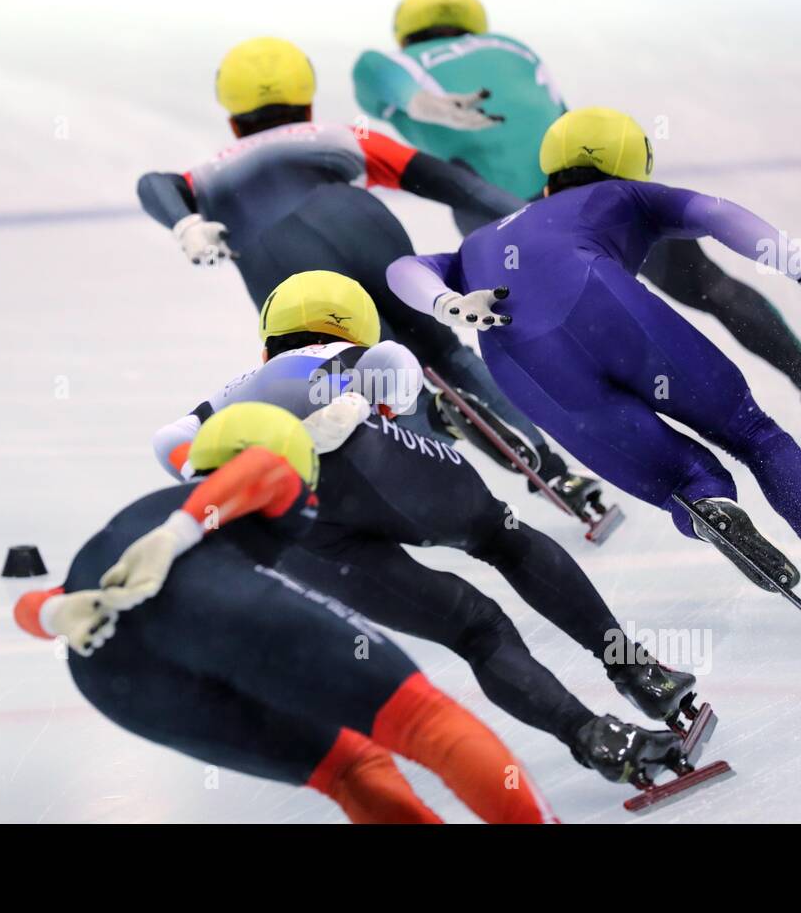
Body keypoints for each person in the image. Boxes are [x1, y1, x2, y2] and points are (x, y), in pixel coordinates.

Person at [385, 107, 801, 628]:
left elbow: (404, 268)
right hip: (608, 308)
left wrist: (445, 304)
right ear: (631, 164)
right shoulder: (622, 193)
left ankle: (708, 504)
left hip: (521, 364)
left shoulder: (481, 239)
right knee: (753, 434)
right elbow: (719, 216)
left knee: (686, 484)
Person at [151, 270, 712, 769]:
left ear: (271, 337)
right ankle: (639, 672)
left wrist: (223, 466)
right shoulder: (340, 354)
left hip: (296, 522)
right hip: (376, 463)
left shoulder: (228, 395)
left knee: (475, 630)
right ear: (353, 324)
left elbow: (169, 443)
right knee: (502, 539)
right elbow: (397, 366)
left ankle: (595, 738)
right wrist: (372, 405)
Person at [353, 0, 801, 435]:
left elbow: (385, 80)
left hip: (510, 224)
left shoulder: (390, 61)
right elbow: (563, 126)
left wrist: (432, 109)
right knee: (711, 288)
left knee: (559, 331)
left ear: (404, 32)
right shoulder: (513, 48)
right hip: (595, 191)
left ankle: (595, 445)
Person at [135, 35, 608, 523]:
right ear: (307, 101)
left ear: (232, 116)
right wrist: (548, 228)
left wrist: (185, 223)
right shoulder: (339, 135)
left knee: (375, 381)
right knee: (444, 351)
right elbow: (461, 186)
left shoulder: (207, 172)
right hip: (363, 226)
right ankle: (555, 473)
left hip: (291, 274)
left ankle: (445, 455)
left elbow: (153, 184)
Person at [15, 402, 557, 824]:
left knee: (350, 768)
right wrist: (178, 534)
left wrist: (57, 614)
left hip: (111, 678)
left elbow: (27, 606)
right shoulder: (239, 493)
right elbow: (264, 466)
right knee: (424, 721)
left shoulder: (134, 516)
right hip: (213, 600)